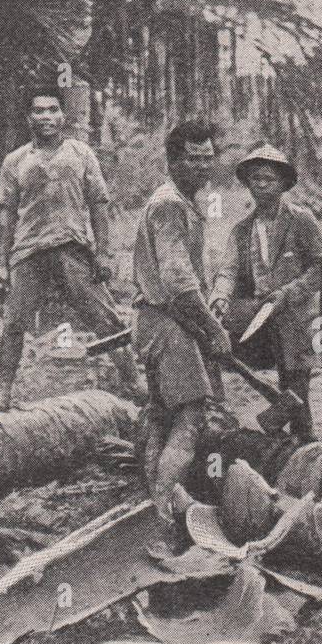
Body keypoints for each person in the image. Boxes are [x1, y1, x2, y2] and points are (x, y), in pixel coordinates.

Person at [0, 88, 141, 411]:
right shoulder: (15, 161)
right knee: (14, 322)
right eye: (38, 111)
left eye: (53, 110)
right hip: (29, 251)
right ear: (29, 119)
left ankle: (134, 383)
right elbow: (7, 215)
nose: (46, 117)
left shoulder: (81, 154)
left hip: (73, 248)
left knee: (105, 317)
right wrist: (2, 265)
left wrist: (103, 253)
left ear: (63, 116)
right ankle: (3, 393)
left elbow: (98, 205)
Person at [132, 119, 231, 511]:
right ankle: (160, 508)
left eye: (208, 159)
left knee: (162, 413)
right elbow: (178, 281)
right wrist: (213, 329)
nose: (202, 167)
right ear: (173, 161)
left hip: (156, 320)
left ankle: (157, 498)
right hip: (167, 322)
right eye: (192, 160)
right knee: (190, 419)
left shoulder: (183, 201)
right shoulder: (170, 204)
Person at [210, 144, 322, 439]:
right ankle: (220, 419)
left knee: (296, 384)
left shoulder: (301, 220)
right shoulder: (242, 229)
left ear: (283, 184)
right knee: (213, 340)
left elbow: (321, 267)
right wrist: (220, 296)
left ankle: (305, 440)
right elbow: (228, 269)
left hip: (295, 314)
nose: (262, 186)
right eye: (256, 179)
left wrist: (288, 293)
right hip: (260, 314)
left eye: (269, 179)